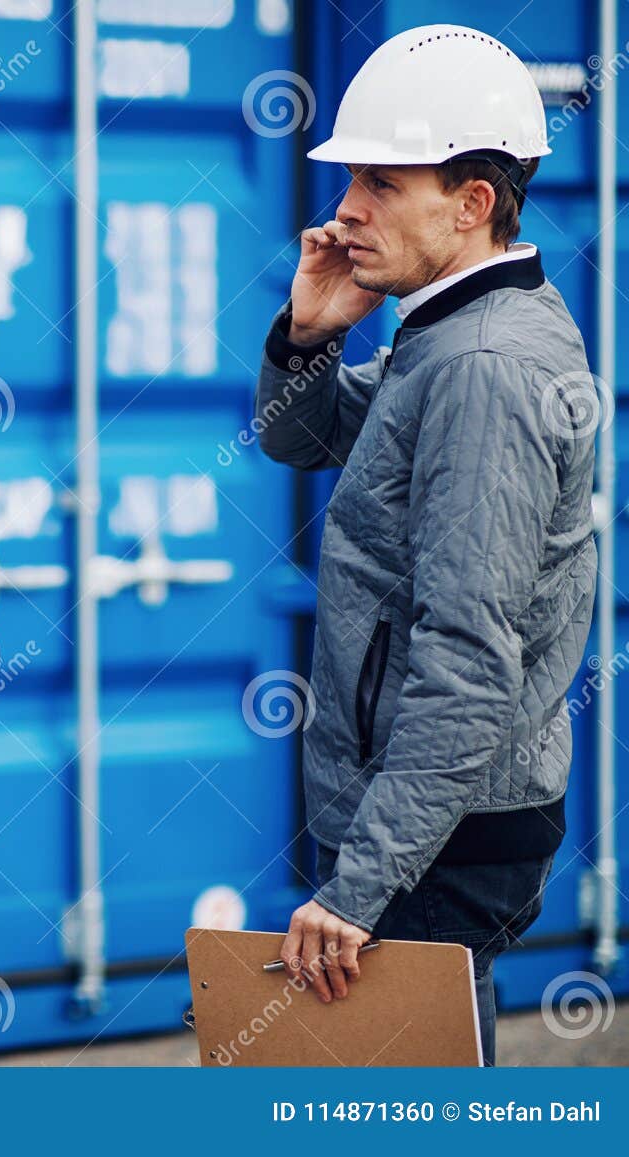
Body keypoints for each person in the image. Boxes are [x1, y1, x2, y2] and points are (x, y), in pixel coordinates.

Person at [255, 24, 597, 1065]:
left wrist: (358, 885)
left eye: (380, 182)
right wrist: (309, 335)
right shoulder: (449, 331)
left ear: (472, 202)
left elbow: (468, 662)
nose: (346, 208)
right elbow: (299, 439)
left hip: (433, 839)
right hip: (434, 821)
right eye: (352, 177)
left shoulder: (481, 367)